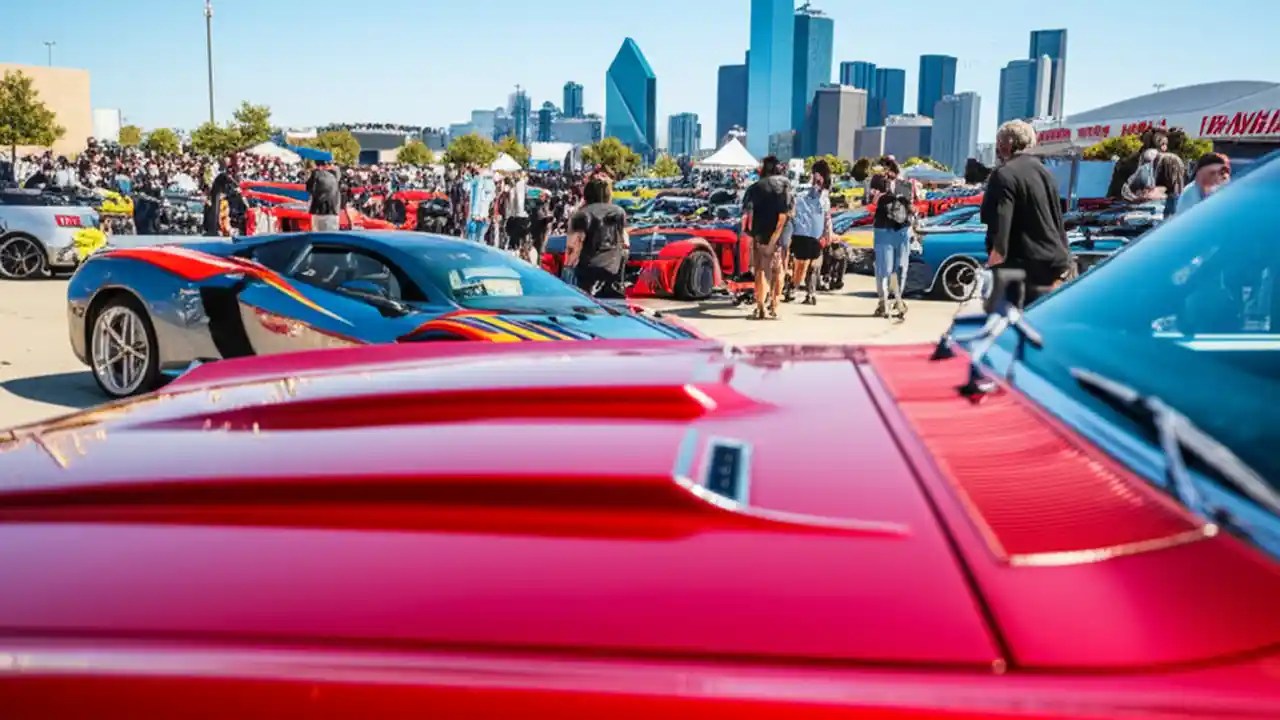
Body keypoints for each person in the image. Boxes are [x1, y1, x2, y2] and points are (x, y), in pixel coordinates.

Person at [981, 120, 1073, 304]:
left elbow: (1001, 224)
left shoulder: (1004, 174)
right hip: (1055, 264)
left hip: (1022, 268)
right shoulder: (1045, 173)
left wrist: (993, 263)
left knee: (1013, 324)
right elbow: (1057, 218)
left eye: (999, 142)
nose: (998, 148)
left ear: (1008, 143)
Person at [742, 155, 792, 320]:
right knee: (779, 270)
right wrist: (775, 238)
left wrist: (750, 233)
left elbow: (746, 216)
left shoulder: (754, 188)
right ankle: (775, 305)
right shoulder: (785, 185)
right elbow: (786, 214)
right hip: (780, 235)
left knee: (760, 270)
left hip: (760, 234)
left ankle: (760, 306)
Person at [868, 156, 916, 318]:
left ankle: (897, 298)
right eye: (883, 168)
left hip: (902, 229)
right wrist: (880, 193)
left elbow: (912, 206)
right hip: (883, 229)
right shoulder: (876, 182)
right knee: (884, 268)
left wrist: (913, 216)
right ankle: (883, 302)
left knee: (899, 268)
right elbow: (871, 203)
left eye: (889, 168)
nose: (886, 172)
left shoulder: (906, 185)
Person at [564, 175, 627, 297]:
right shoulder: (619, 212)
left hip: (587, 269)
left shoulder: (582, 214)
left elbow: (573, 246)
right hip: (613, 268)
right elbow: (625, 242)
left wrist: (568, 267)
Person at [786, 159, 832, 305]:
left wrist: (827, 234)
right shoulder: (808, 192)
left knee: (810, 265)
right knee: (803, 264)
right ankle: (797, 289)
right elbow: (826, 217)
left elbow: (827, 216)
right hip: (806, 233)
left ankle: (805, 292)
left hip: (808, 234)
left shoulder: (823, 196)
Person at [306, 159, 342, 231]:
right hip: (333, 210)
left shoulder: (316, 174)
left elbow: (309, 188)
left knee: (318, 236)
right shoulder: (336, 175)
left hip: (319, 210)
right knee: (332, 236)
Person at [465, 168, 497, 244]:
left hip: (477, 215)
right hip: (478, 215)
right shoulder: (478, 182)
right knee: (477, 237)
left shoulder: (478, 182)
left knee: (475, 237)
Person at [504, 172, 530, 252]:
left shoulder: (516, 186)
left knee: (515, 236)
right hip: (520, 215)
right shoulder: (521, 185)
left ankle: (515, 248)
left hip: (515, 215)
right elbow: (519, 201)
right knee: (518, 236)